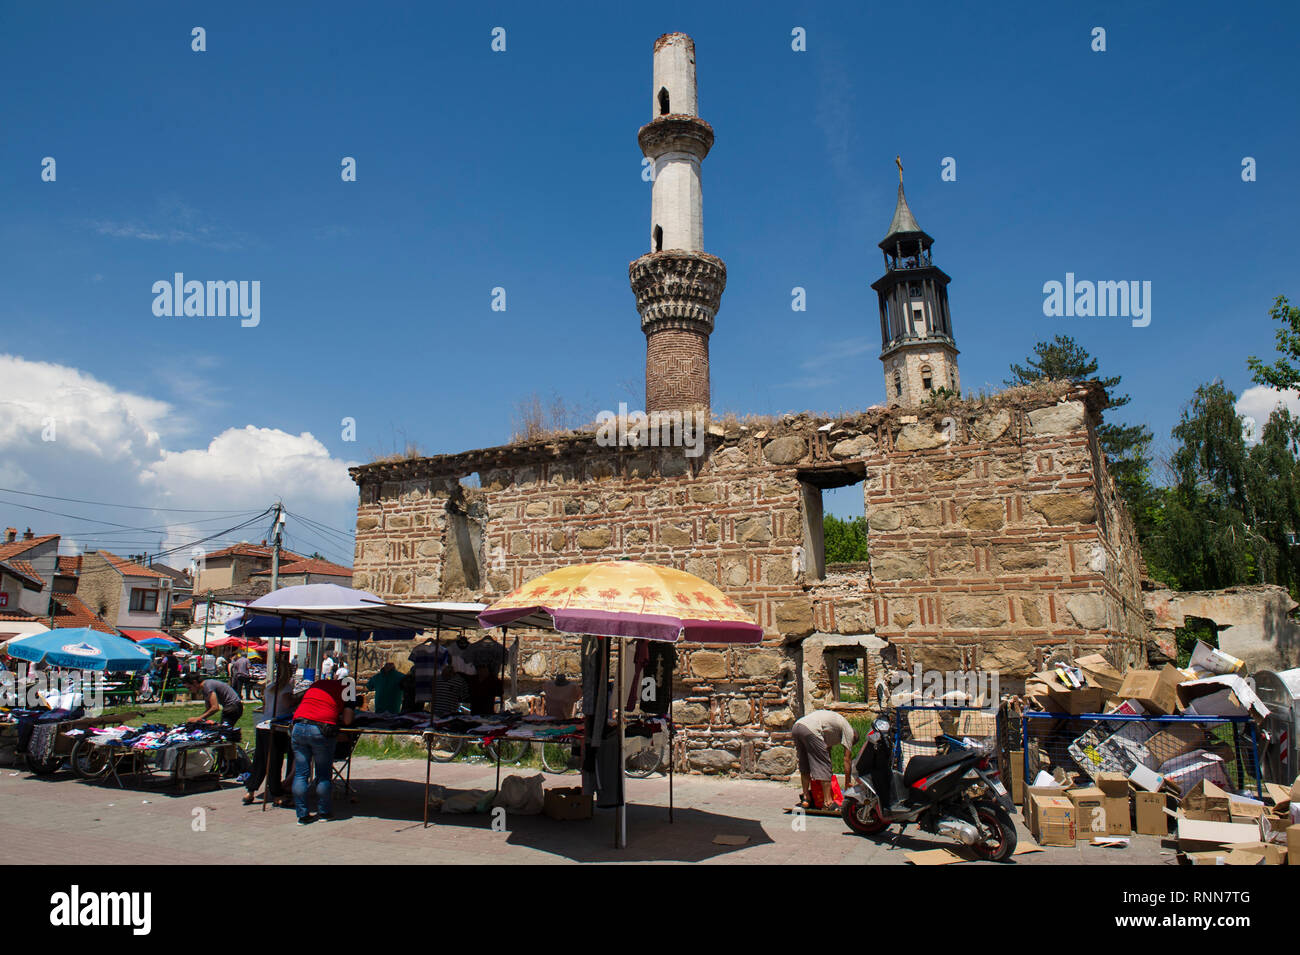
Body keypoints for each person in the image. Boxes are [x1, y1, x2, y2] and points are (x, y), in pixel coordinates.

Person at [290, 676, 355, 825]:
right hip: (321, 729)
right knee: (323, 774)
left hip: (298, 726)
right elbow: (347, 720)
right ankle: (324, 812)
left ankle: (302, 815)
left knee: (301, 774)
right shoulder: (348, 689)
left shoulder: (320, 684)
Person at [243, 654, 298, 807]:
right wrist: (298, 699)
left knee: (260, 760)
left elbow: (266, 707)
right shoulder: (286, 688)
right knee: (274, 761)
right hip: (276, 727)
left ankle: (251, 790)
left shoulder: (269, 687)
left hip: (262, 725)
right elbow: (287, 705)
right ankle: (276, 793)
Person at [792, 709, 856, 810]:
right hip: (811, 729)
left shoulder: (834, 730)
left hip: (797, 726)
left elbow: (826, 751)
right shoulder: (850, 732)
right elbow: (847, 759)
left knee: (805, 764)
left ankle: (806, 798)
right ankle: (828, 802)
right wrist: (847, 782)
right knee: (824, 766)